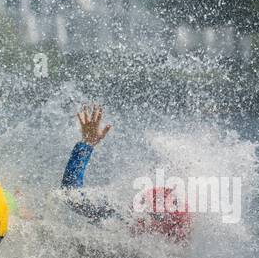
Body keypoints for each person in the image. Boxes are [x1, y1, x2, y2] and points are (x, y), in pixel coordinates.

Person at [61, 104, 192, 242]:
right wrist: (87, 144)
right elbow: (71, 196)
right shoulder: (124, 222)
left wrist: (86, 145)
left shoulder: (123, 228)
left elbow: (70, 194)